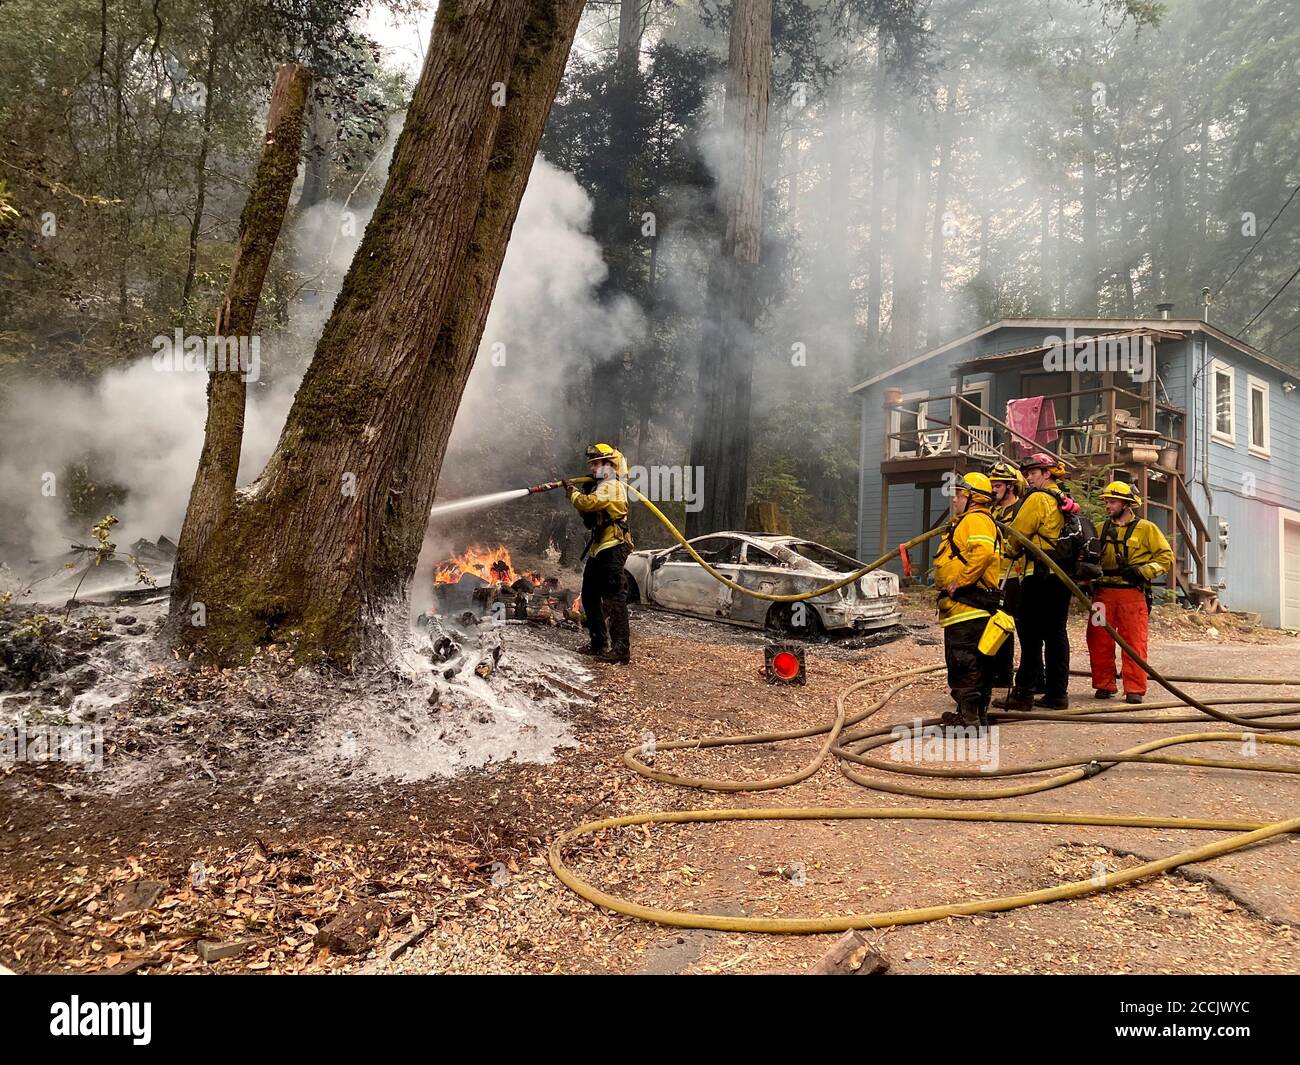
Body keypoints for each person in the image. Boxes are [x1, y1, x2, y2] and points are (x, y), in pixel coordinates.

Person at [997, 452, 1076, 710]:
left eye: (1032, 473)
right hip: (1062, 576)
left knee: (1030, 635)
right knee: (1056, 635)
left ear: (1047, 473)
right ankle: (1056, 694)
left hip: (1038, 575)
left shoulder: (1038, 498)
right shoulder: (1063, 499)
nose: (1028, 478)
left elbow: (1017, 535)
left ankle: (1023, 694)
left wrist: (1008, 550)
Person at [1086, 481, 1173, 704]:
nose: (1107, 505)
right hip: (1103, 594)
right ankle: (1104, 684)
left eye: (1112, 501)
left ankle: (1134, 688)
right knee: (1098, 639)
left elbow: (1165, 558)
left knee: (1134, 642)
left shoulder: (1147, 529)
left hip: (1132, 594)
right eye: (1106, 501)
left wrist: (1143, 572)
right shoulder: (1100, 529)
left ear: (1127, 504)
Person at [933, 473, 1001, 730]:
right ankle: (973, 715)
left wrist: (959, 581)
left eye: (959, 494)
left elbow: (982, 553)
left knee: (963, 660)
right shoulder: (969, 521)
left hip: (968, 606)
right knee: (975, 661)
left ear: (973, 498)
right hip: (968, 607)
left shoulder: (975, 520)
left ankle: (968, 719)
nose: (954, 499)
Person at [564, 443, 633, 665]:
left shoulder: (611, 485)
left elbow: (589, 503)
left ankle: (621, 649)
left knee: (614, 597)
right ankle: (598, 643)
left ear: (609, 465)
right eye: (591, 465)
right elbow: (590, 516)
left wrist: (572, 493)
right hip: (600, 547)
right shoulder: (602, 485)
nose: (592, 469)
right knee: (590, 594)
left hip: (613, 546)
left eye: (596, 464)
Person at [987, 461, 1027, 690]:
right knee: (998, 624)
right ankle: (1001, 674)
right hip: (994, 575)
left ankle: (1030, 677)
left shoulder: (1021, 509)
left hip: (1015, 575)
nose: (993, 489)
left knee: (1021, 627)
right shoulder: (992, 511)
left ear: (1010, 486)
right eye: (992, 484)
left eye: (998, 485)